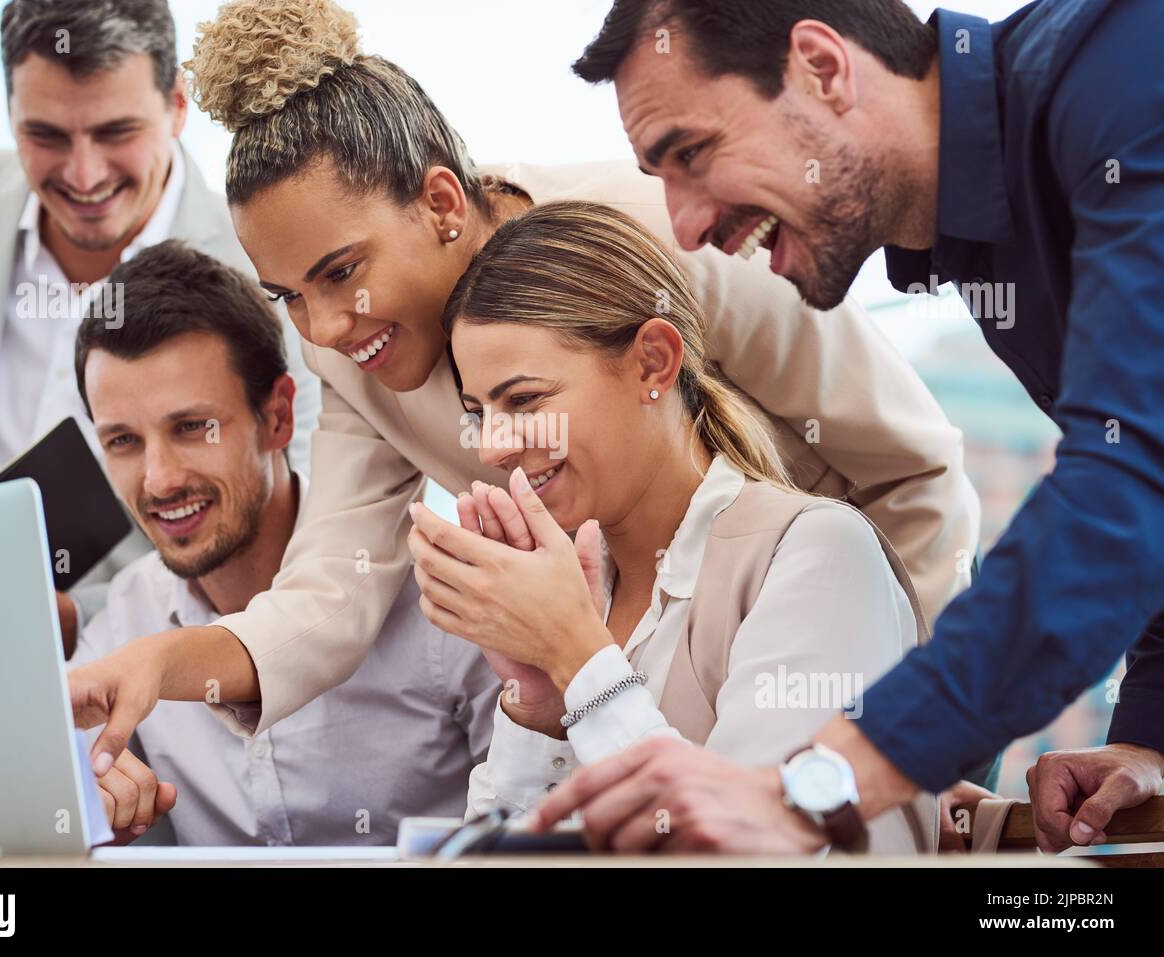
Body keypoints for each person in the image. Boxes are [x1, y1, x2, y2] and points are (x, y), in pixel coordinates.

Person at [66, 0, 980, 782]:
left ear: (441, 202)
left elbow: (911, 469)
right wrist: (158, 660)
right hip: (615, 676)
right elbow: (330, 592)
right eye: (288, 296)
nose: (326, 329)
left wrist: (918, 732)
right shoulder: (351, 355)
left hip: (820, 628)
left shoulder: (664, 231)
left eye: (343, 273)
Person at [533, 0, 1164, 853]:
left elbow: (1126, 488)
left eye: (691, 153)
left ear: (823, 69)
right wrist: (1152, 733)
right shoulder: (990, 249)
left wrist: (813, 786)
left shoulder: (1125, 78)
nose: (686, 224)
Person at [406, 200, 937, 853]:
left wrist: (578, 658)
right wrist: (539, 708)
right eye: (478, 410)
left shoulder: (818, 554)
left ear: (653, 363)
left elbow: (749, 856)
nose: (491, 446)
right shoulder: (580, 587)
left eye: (523, 400)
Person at [0, 0, 319, 644]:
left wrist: (79, 621)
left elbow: (292, 532)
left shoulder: (270, 268)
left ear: (178, 106)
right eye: (46, 135)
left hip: (163, 684)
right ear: (10, 113)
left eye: (115, 132)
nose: (83, 175)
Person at [70, 240, 497, 846]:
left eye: (192, 428)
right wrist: (88, 801)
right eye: (123, 442)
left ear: (278, 417)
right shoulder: (125, 620)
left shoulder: (444, 598)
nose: (159, 479)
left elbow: (539, 823)